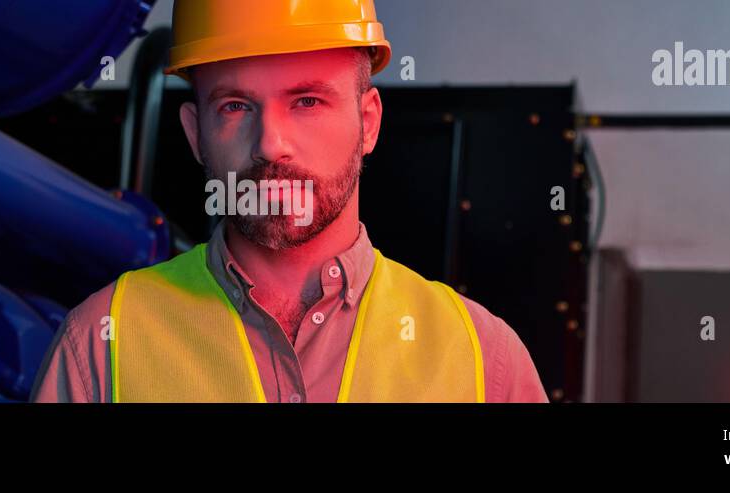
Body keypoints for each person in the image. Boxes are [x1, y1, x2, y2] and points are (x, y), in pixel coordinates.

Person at [33, 0, 546, 403]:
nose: (270, 142)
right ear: (195, 134)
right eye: (235, 105)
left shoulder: (484, 362)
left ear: (368, 122)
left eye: (306, 101)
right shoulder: (101, 345)